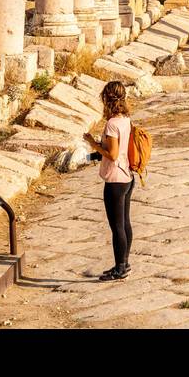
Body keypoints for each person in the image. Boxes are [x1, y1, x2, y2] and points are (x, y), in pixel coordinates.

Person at [83, 81, 134, 281]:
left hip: (115, 180)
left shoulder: (112, 124)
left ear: (106, 99)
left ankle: (119, 268)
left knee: (117, 226)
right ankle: (124, 263)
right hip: (127, 175)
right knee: (125, 223)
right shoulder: (126, 120)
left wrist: (93, 144)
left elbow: (112, 154)